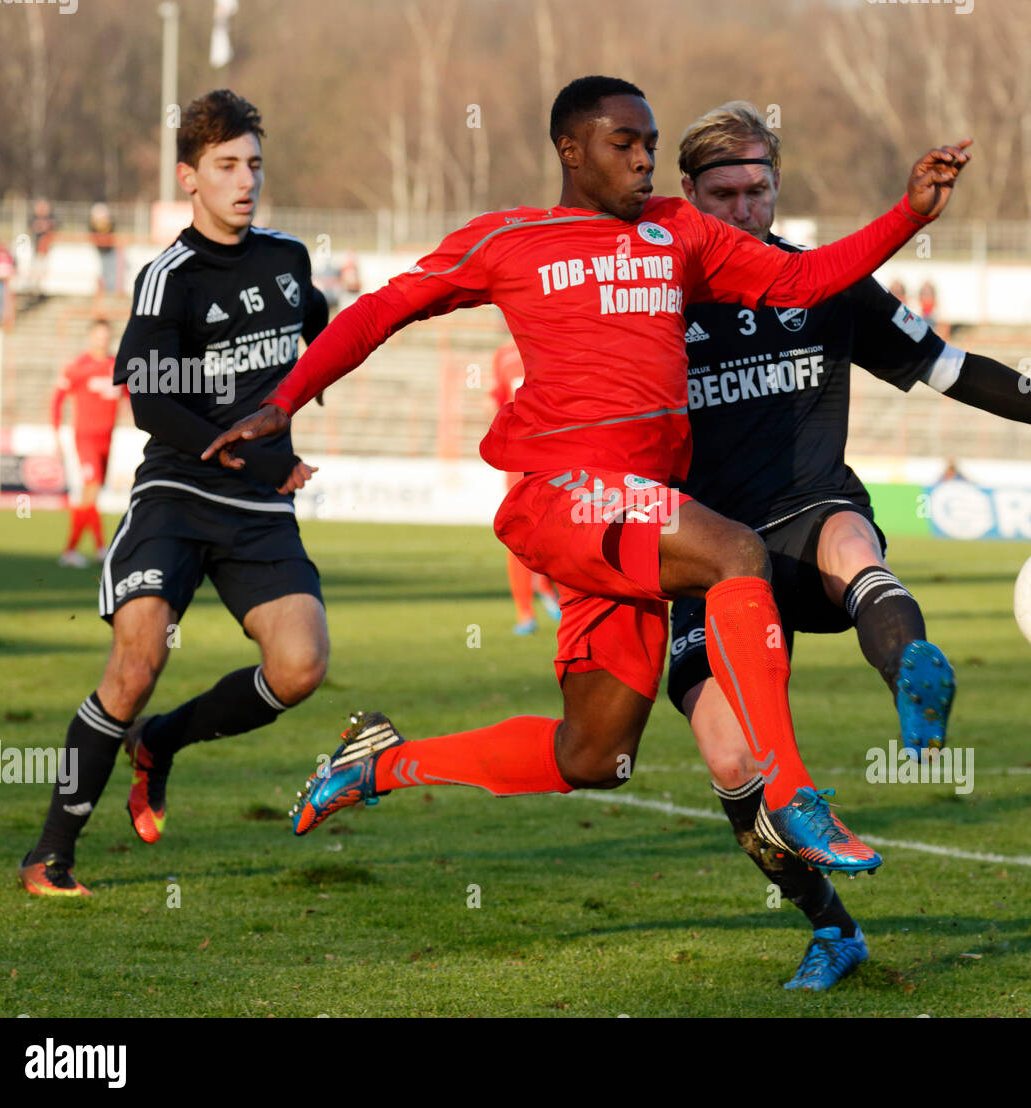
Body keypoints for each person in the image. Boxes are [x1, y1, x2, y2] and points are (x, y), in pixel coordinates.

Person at [203, 76, 972, 880]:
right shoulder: (507, 241)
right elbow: (380, 310)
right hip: (565, 491)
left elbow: (806, 282)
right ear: (571, 151)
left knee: (595, 754)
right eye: (624, 144)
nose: (644, 160)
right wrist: (283, 400)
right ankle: (792, 792)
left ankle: (375, 765)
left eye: (649, 144)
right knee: (736, 554)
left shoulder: (679, 232)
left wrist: (909, 214)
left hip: (641, 513)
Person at [666, 102, 1031, 990]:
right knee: (730, 760)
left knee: (850, 545)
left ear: (778, 187)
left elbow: (953, 371)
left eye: (760, 189)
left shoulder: (824, 282)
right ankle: (831, 929)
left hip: (806, 508)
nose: (745, 209)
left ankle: (916, 673)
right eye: (725, 193)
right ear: (688, 193)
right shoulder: (653, 302)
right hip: (704, 546)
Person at [18, 89, 331, 896]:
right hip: (179, 493)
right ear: (190, 177)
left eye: (254, 164)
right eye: (227, 165)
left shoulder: (289, 259)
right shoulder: (169, 276)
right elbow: (151, 399)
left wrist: (310, 387)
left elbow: (322, 328)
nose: (245, 180)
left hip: (261, 511)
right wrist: (231, 449)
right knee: (137, 658)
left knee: (301, 668)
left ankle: (159, 743)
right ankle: (49, 854)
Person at [490, 337, 561, 634]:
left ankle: (546, 586)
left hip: (556, 451)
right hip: (520, 456)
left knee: (559, 528)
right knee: (518, 532)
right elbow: (494, 402)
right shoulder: (504, 355)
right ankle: (525, 612)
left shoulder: (555, 345)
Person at [51, 319, 124, 567]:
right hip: (85, 437)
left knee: (91, 495)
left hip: (107, 438)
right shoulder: (78, 367)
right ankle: (73, 550)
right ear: (90, 337)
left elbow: (130, 395)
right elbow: (57, 400)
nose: (102, 340)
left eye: (106, 336)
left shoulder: (117, 366)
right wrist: (56, 435)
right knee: (90, 488)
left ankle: (98, 547)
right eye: (97, 336)